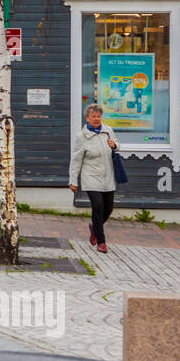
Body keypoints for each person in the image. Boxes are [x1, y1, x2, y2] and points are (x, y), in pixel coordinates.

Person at [69, 102, 119, 253]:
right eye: (93, 116)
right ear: (87, 118)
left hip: (108, 175)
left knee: (109, 207)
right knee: (98, 207)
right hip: (90, 176)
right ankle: (101, 242)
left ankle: (94, 228)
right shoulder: (82, 137)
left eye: (98, 116)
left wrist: (114, 145)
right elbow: (76, 160)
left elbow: (117, 144)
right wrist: (73, 180)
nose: (96, 119)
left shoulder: (108, 130)